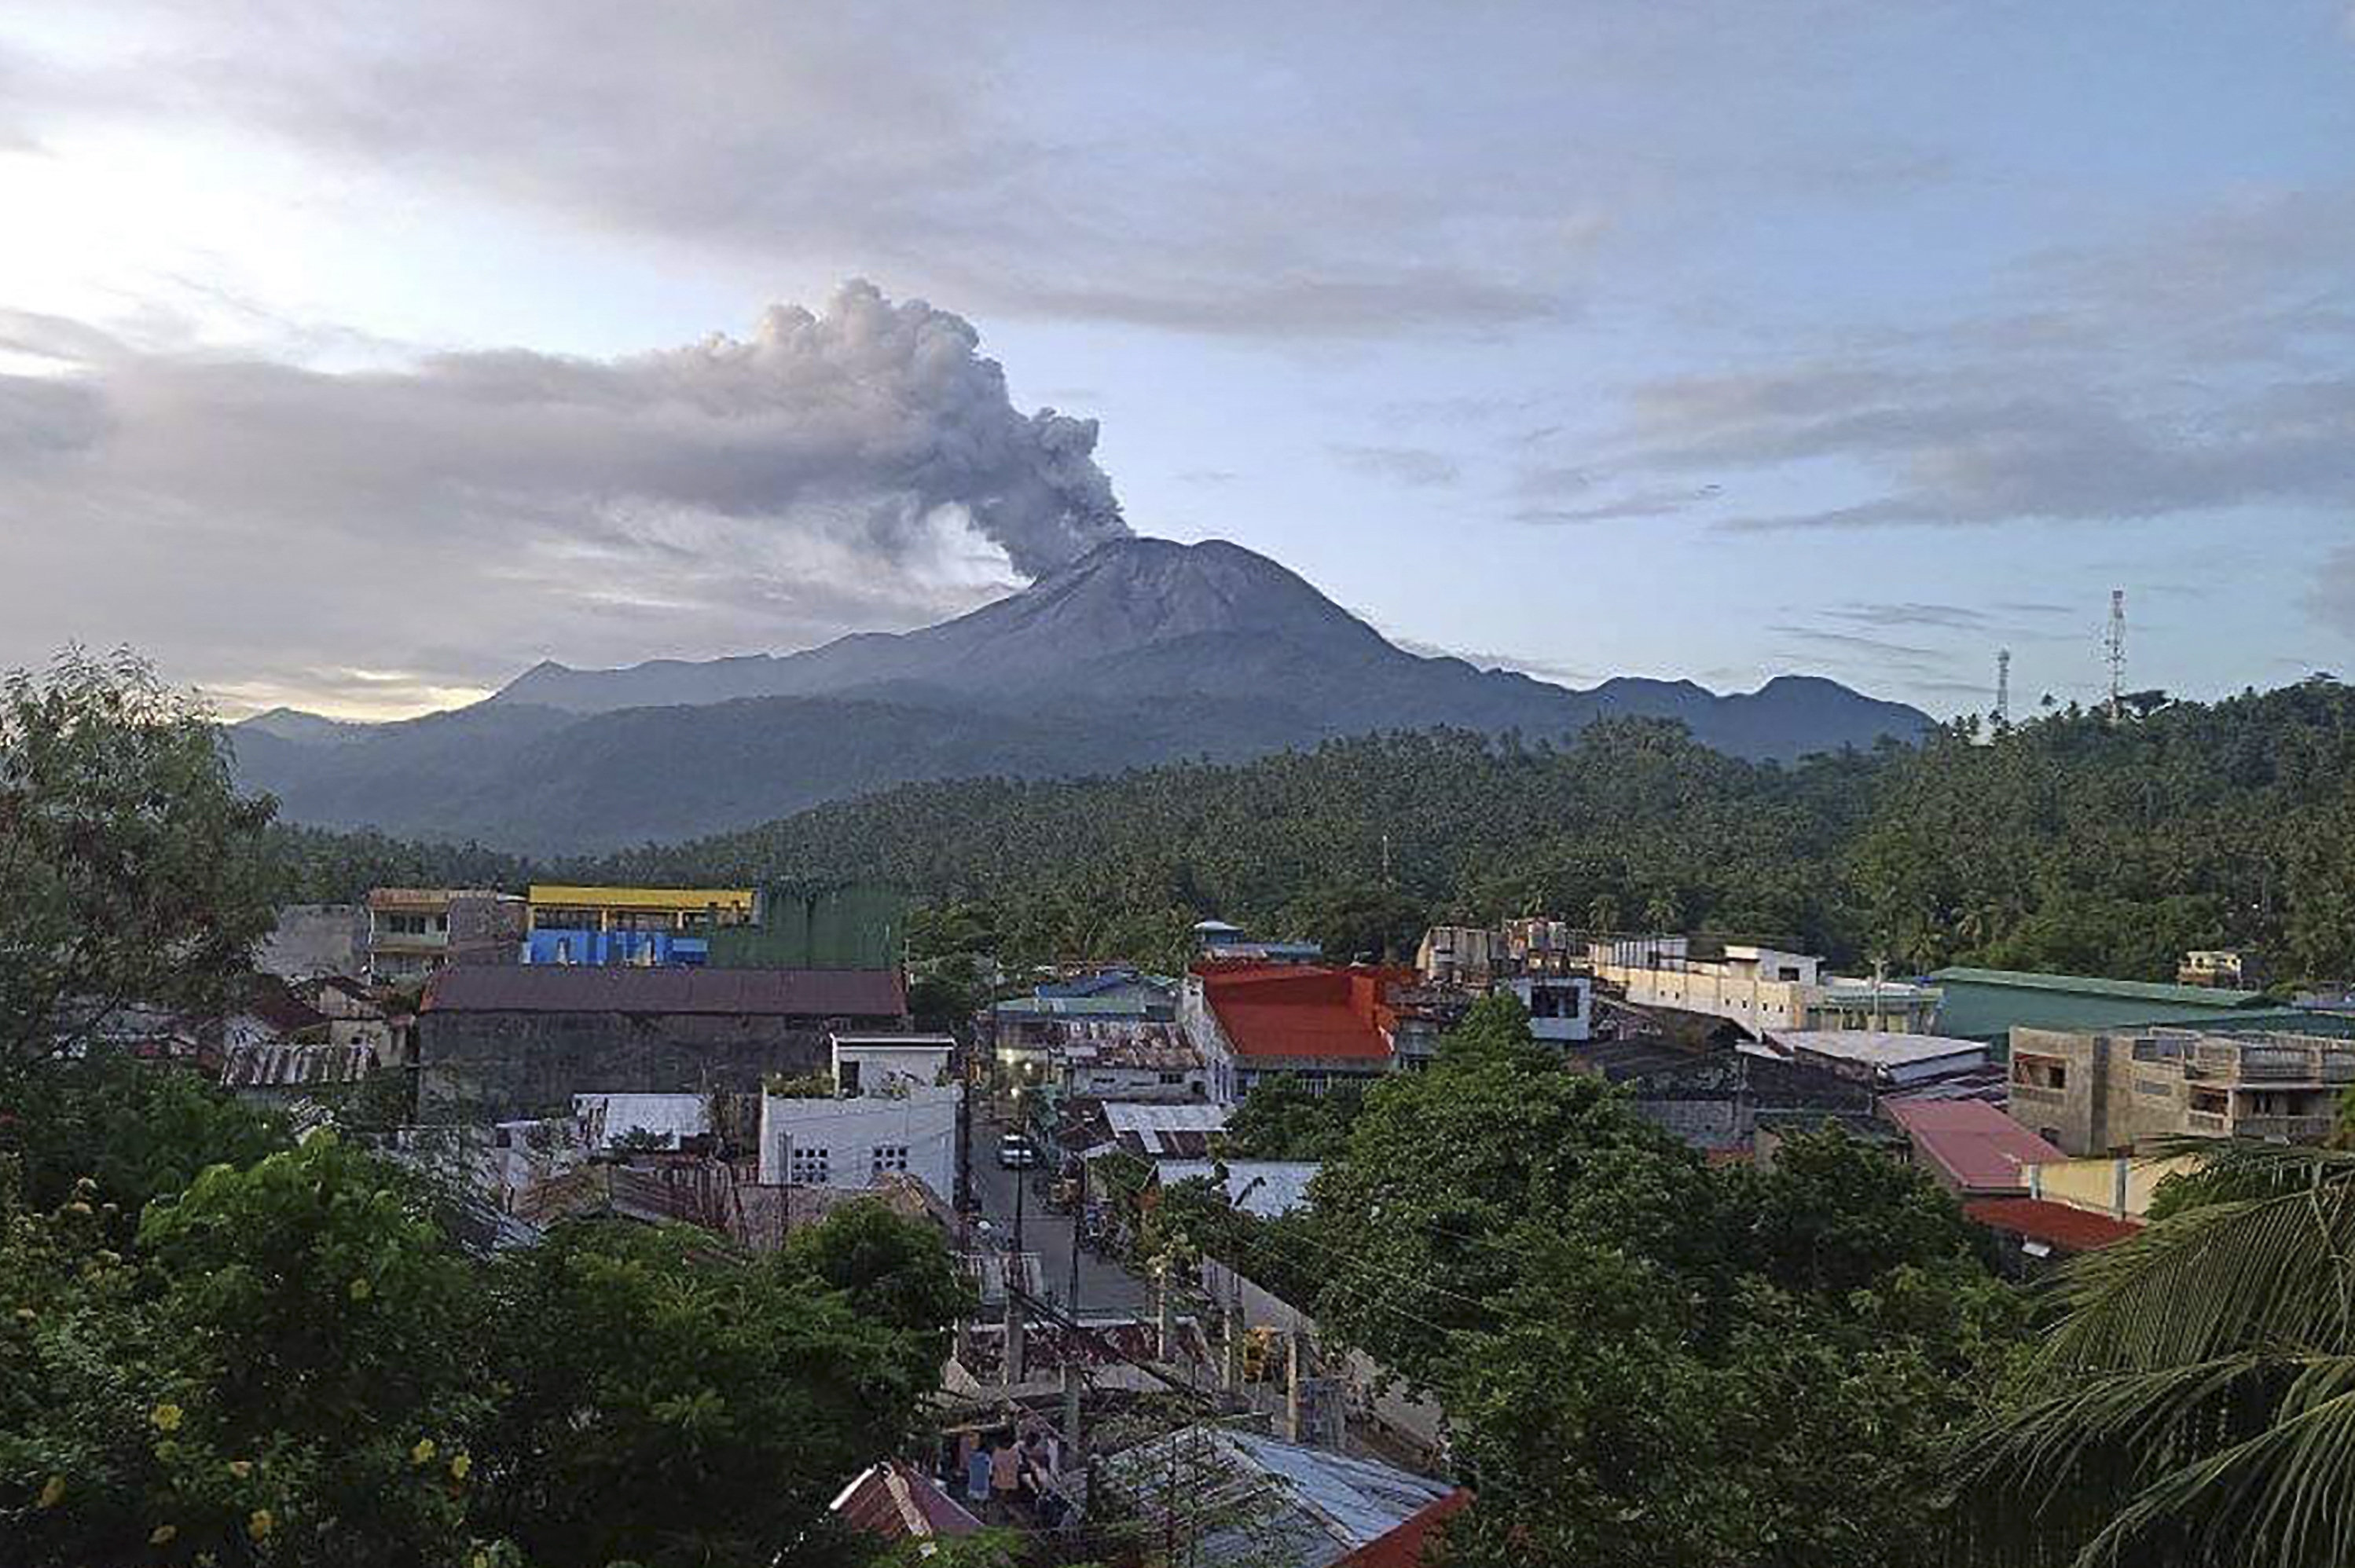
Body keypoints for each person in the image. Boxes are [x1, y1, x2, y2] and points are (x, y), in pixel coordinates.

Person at [988, 1433, 1022, 1523]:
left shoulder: (996, 1453)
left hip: (998, 1484)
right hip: (1012, 1484)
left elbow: (992, 1470)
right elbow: (1019, 1466)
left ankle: (997, 1518)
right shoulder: (1015, 1453)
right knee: (1008, 1503)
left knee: (997, 1502)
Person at [965, 1436, 992, 1509]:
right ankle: (981, 1509)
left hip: (972, 1486)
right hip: (984, 1487)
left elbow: (969, 1469)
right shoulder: (987, 1458)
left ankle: (974, 1508)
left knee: (972, 1500)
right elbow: (990, 1472)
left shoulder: (971, 1458)